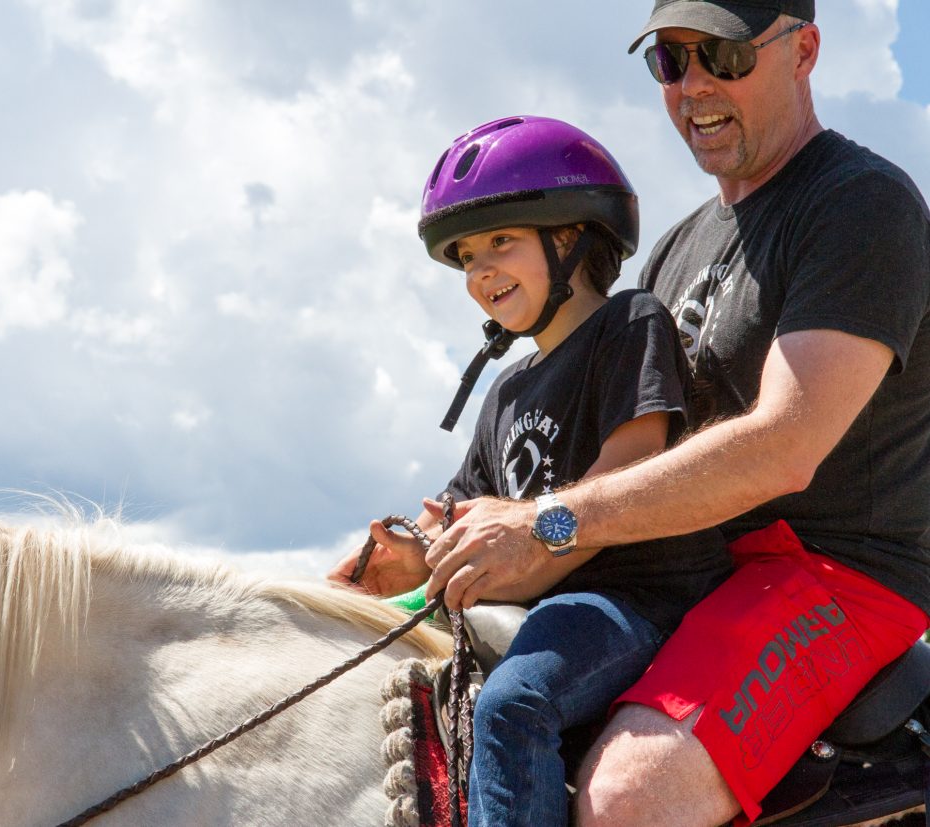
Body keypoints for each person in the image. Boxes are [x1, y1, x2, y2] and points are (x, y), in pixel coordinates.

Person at [349, 2, 930, 825]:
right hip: (692, 574)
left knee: (629, 796)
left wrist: (542, 525)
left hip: (830, 575)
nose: (692, 85)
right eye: (670, 60)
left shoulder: (861, 203)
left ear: (803, 51)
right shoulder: (676, 249)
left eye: (721, 57)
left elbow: (784, 446)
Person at [329, 115, 732, 826]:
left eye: (501, 242)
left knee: (513, 701)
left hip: (636, 598)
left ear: (570, 235)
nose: (481, 271)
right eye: (466, 257)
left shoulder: (630, 323)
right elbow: (461, 510)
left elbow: (631, 469)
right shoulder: (506, 391)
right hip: (547, 610)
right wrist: (406, 554)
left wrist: (533, 560)